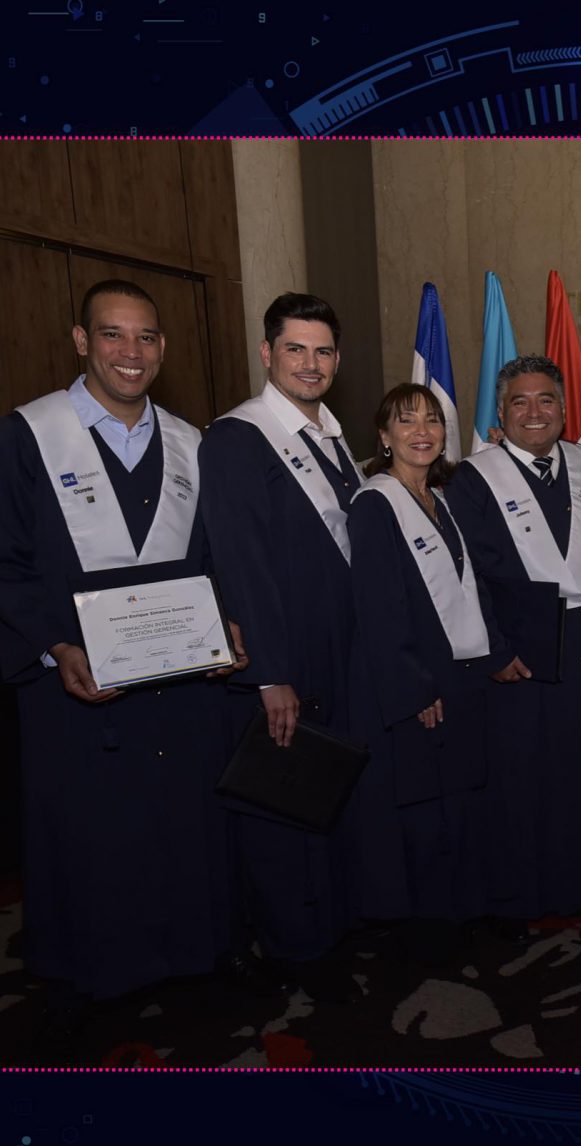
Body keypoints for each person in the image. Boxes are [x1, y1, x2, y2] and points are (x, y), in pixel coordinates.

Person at [0, 279, 248, 1061]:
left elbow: (213, 555)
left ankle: (192, 960)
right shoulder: (26, 436)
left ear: (163, 347)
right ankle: (79, 980)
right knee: (86, 837)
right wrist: (56, 645)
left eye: (146, 337)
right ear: (81, 341)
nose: (132, 352)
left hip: (179, 681)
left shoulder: (192, 442)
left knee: (182, 825)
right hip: (76, 683)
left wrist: (225, 618)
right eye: (113, 334)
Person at [197, 292, 362, 1002]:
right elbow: (242, 564)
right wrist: (268, 674)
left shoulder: (332, 436)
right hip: (284, 656)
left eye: (323, 351)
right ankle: (296, 946)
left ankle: (329, 924)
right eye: (295, 348)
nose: (310, 363)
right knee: (281, 801)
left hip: (338, 649)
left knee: (325, 789)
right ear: (267, 353)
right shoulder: (238, 437)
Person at [346, 383, 515, 963]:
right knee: (423, 811)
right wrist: (414, 687)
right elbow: (380, 608)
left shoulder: (439, 498)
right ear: (383, 436)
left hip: (460, 674)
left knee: (459, 803)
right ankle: (430, 928)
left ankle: (464, 911)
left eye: (432, 420)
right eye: (406, 421)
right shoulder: (375, 504)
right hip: (419, 682)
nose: (422, 431)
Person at [446, 356, 581, 927]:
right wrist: (493, 650)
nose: (534, 412)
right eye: (519, 402)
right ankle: (516, 900)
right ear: (501, 413)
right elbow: (466, 575)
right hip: (515, 652)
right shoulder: (472, 479)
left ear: (564, 408)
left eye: (546, 399)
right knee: (520, 778)